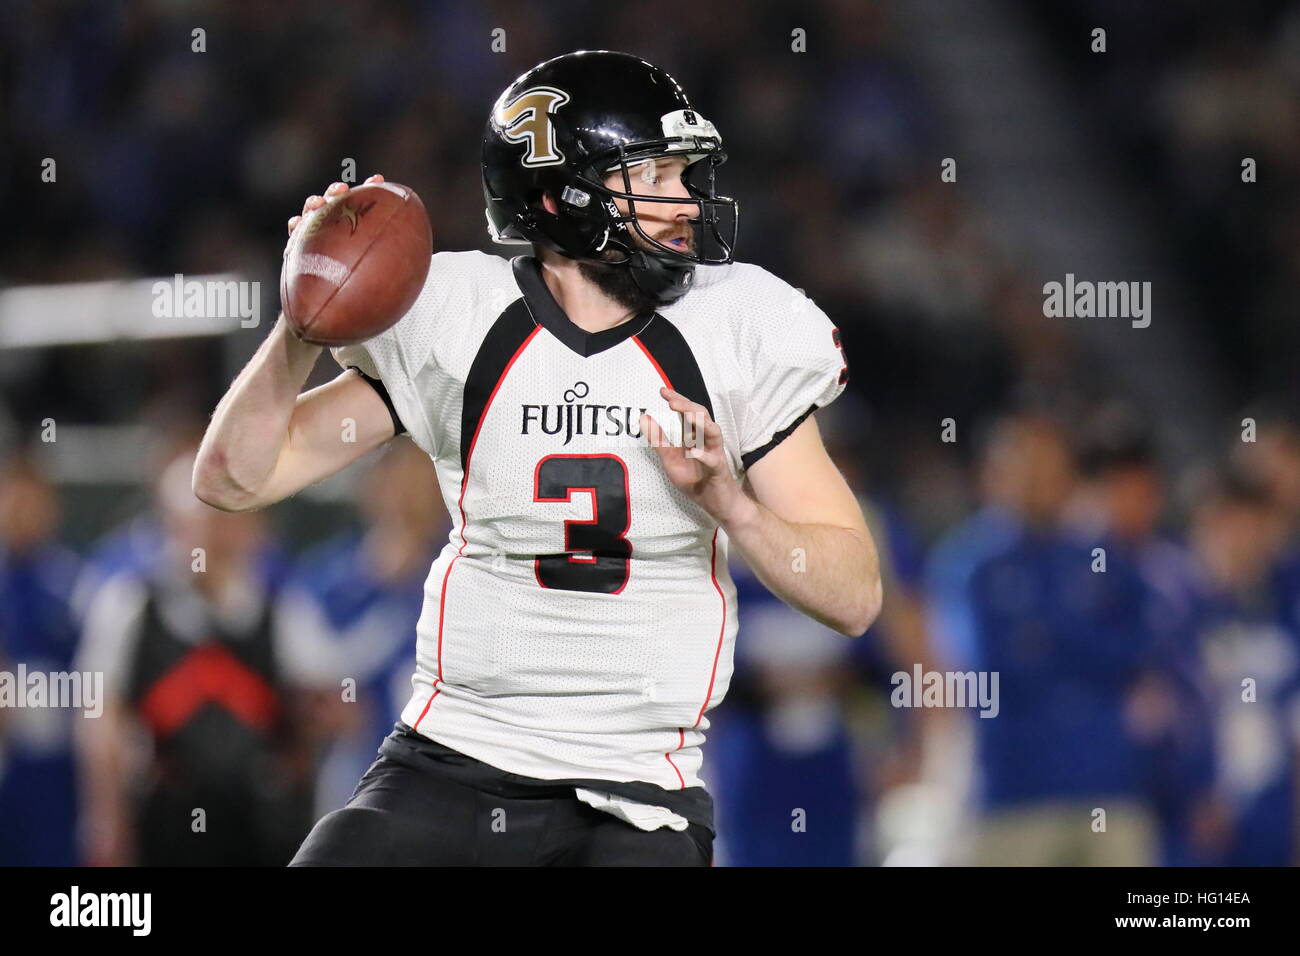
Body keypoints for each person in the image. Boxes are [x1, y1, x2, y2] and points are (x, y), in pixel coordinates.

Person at [193, 50, 882, 866]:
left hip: (635, 795)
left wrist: (734, 505)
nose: (685, 203)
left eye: (683, 176)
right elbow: (233, 479)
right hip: (450, 761)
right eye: (654, 177)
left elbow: (854, 597)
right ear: (562, 197)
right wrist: (300, 326)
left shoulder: (736, 327)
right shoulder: (457, 318)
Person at [76, 451, 317, 866]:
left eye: (229, 517)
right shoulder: (130, 605)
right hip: (161, 819)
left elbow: (320, 708)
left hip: (261, 823)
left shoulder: (286, 611)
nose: (215, 533)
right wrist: (107, 818)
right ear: (170, 525)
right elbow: (101, 720)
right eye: (201, 519)